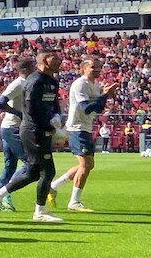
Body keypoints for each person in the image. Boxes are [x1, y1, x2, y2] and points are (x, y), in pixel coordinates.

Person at [0, 51, 65, 223]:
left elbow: (54, 104)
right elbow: (31, 112)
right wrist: (50, 128)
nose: (59, 60)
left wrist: (57, 117)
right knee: (47, 170)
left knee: (32, 172)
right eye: (55, 58)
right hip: (32, 131)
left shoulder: (52, 81)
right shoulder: (34, 81)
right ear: (44, 61)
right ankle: (39, 212)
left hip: (41, 129)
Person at [49, 57, 119, 212]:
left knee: (88, 165)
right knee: (85, 165)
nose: (97, 70)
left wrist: (106, 96)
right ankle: (74, 202)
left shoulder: (94, 85)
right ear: (84, 68)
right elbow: (86, 108)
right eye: (93, 67)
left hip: (86, 127)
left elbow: (97, 108)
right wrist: (105, 95)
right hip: (77, 127)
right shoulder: (80, 84)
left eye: (99, 67)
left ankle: (53, 186)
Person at [0, 58, 36, 212]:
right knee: (30, 163)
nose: (36, 68)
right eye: (33, 66)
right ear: (25, 70)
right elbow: (0, 103)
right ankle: (4, 191)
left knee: (10, 166)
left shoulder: (28, 83)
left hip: (10, 128)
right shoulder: (18, 84)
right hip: (12, 128)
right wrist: (18, 113)